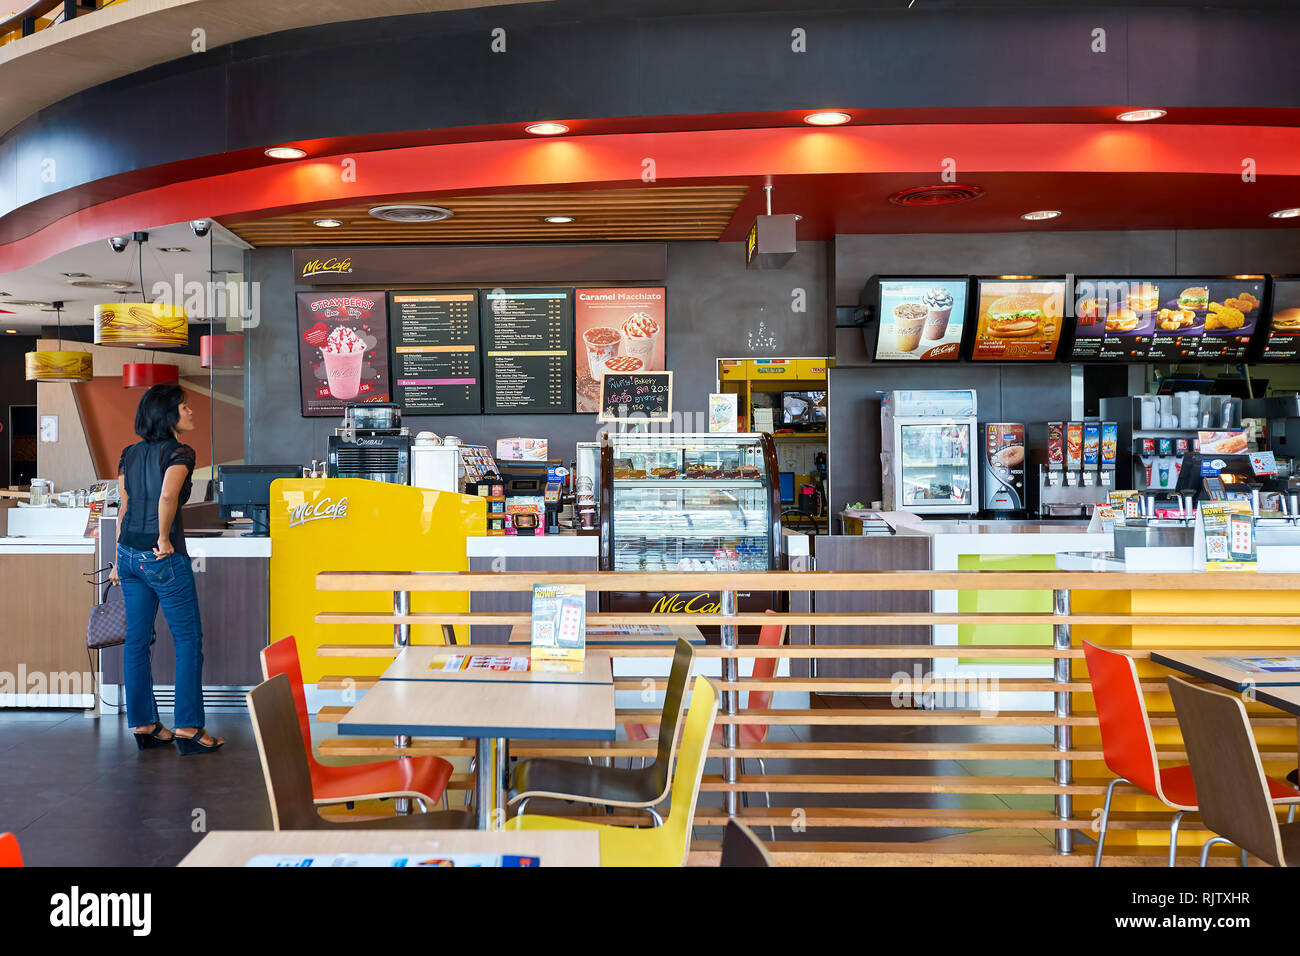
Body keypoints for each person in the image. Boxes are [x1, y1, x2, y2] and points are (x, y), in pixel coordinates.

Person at [110, 384, 224, 755]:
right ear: (168, 414)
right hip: (161, 558)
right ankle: (189, 727)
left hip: (128, 555)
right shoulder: (179, 452)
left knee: (137, 641)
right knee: (188, 639)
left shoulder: (129, 453)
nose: (190, 411)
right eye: (184, 406)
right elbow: (167, 496)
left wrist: (117, 559)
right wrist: (163, 538)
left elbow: (123, 509)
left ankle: (144, 724)